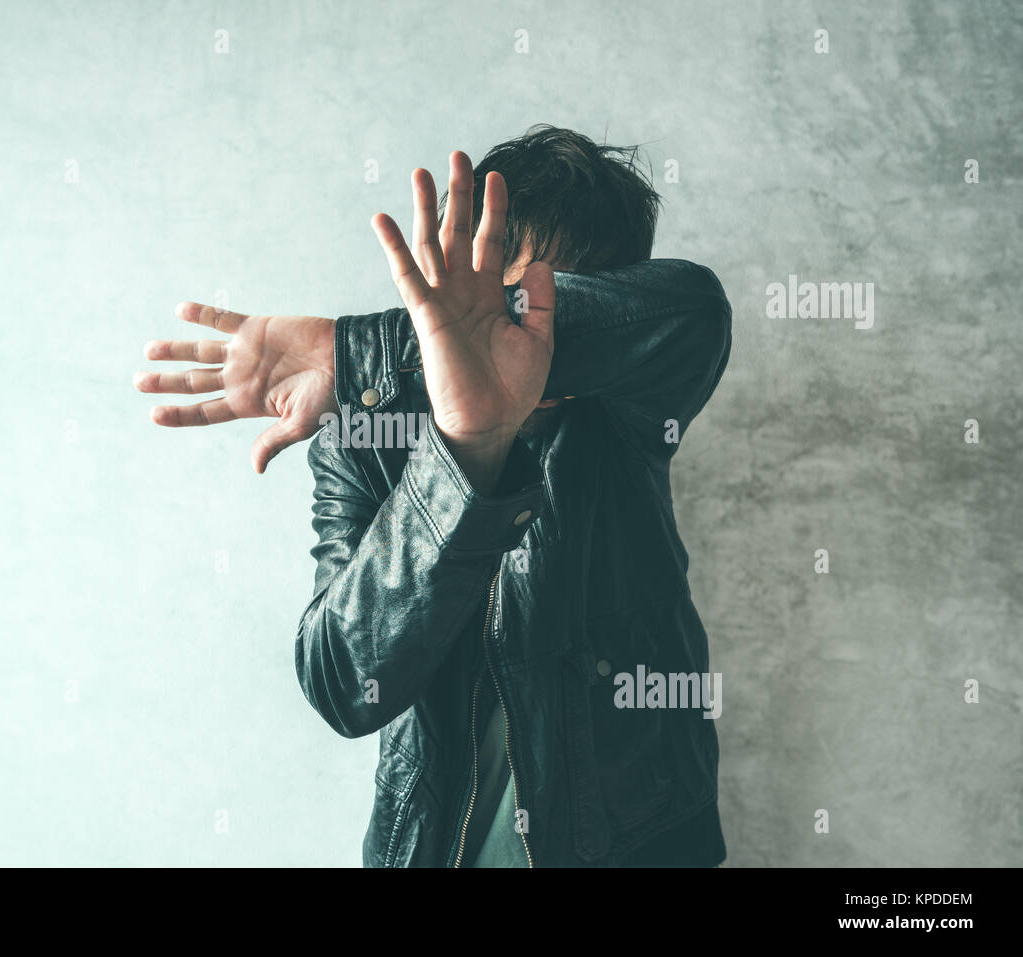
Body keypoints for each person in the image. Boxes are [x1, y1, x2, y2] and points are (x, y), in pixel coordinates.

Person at [135, 125, 733, 867]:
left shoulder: (628, 410)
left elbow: (696, 309)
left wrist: (355, 347)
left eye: (557, 315)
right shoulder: (364, 433)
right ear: (463, 270)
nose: (529, 344)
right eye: (509, 305)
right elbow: (342, 683)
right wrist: (462, 451)